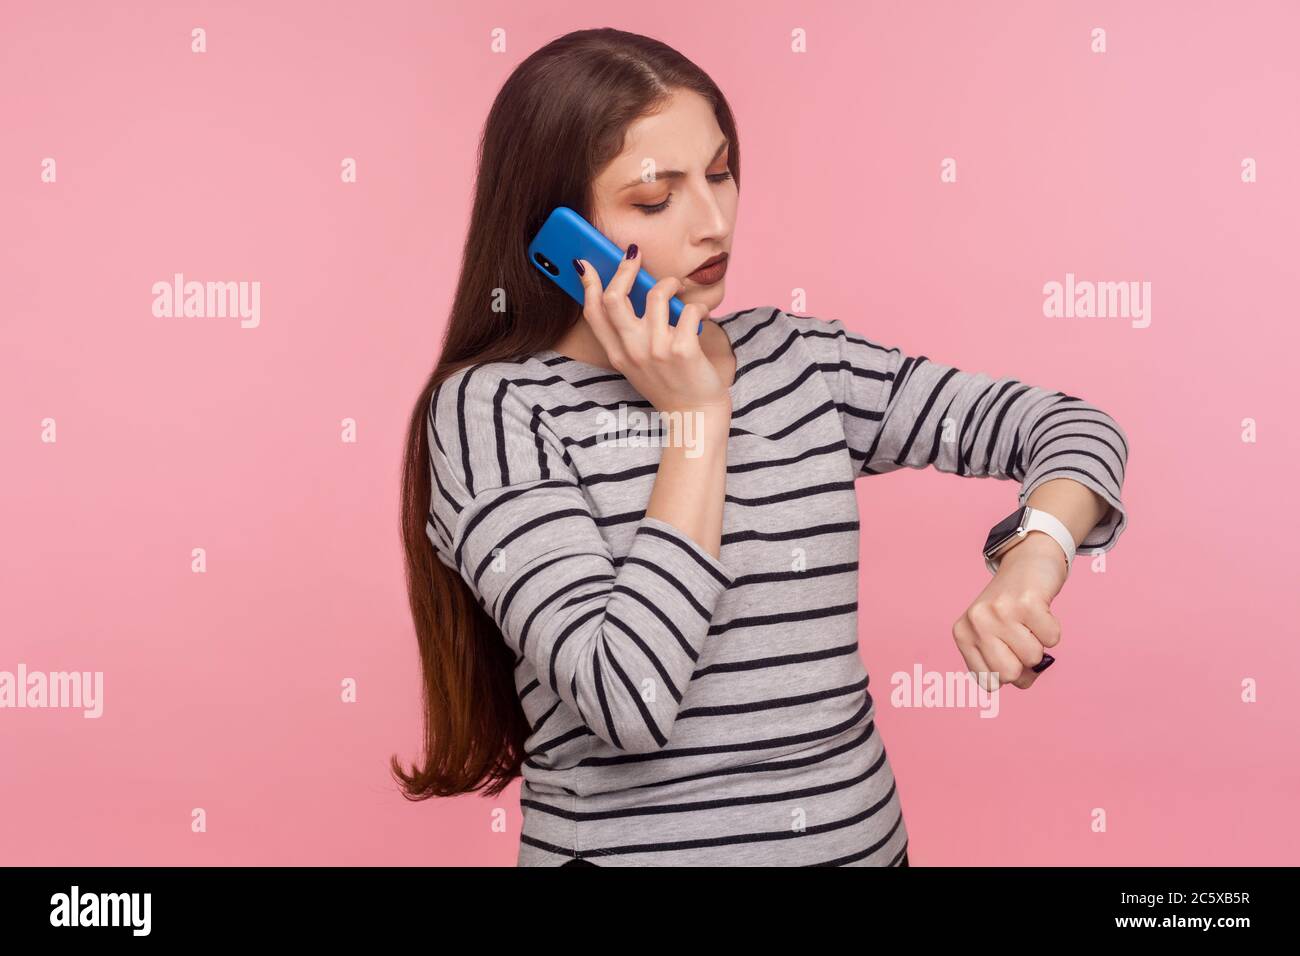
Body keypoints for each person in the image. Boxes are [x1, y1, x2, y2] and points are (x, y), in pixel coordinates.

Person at [392, 28, 1129, 867]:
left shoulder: (800, 362)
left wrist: (1033, 559)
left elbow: (1074, 426)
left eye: (719, 173)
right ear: (559, 235)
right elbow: (626, 697)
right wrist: (696, 418)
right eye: (653, 197)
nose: (712, 222)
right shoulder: (493, 413)